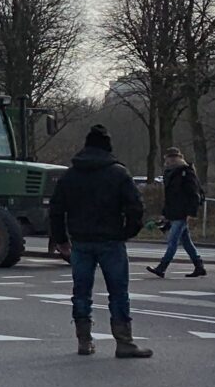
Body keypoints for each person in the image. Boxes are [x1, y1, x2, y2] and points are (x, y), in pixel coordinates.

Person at [48, 124, 151, 358]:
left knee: (81, 292)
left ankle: (84, 341)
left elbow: (56, 209)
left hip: (81, 241)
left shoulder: (70, 175)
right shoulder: (118, 173)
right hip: (111, 240)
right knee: (118, 292)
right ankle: (124, 342)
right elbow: (136, 207)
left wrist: (61, 239)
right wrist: (127, 231)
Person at [149, 147, 206, 279]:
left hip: (182, 213)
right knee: (186, 242)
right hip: (175, 212)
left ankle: (161, 267)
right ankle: (199, 266)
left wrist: (191, 213)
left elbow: (193, 194)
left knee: (172, 241)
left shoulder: (186, 172)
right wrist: (165, 213)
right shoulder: (170, 173)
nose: (166, 162)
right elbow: (170, 197)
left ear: (173, 159)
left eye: (168, 159)